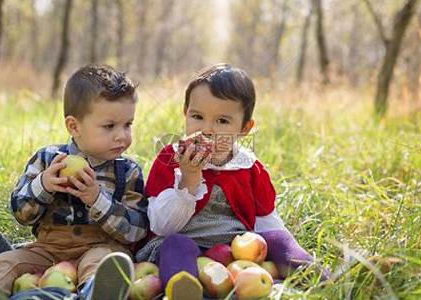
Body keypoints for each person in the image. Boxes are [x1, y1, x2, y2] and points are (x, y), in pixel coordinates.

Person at [136, 63, 329, 300]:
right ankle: (183, 288)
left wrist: (277, 246)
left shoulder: (249, 167)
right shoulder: (172, 159)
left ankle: (311, 274)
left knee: (278, 237)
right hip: (185, 245)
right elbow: (160, 226)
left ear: (245, 128)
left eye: (222, 121)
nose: (207, 129)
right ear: (185, 113)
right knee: (175, 245)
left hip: (236, 252)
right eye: (197, 116)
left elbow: (266, 220)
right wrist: (189, 179)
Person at [0, 65, 148, 300]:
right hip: (49, 249)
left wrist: (97, 199)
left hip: (101, 247)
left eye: (128, 124)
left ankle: (97, 293)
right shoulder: (48, 160)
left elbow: (137, 231)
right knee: (8, 261)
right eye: (110, 126)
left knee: (103, 263)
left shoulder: (127, 171)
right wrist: (43, 186)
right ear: (74, 126)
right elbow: (21, 213)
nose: (122, 135)